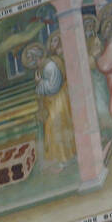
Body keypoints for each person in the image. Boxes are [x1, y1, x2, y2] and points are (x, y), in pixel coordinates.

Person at [33, 33, 75, 166]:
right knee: (54, 127)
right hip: (54, 102)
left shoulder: (50, 65)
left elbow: (53, 86)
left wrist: (39, 83)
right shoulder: (46, 65)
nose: (34, 62)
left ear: (39, 57)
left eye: (34, 59)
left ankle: (63, 158)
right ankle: (61, 158)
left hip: (58, 101)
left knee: (55, 126)